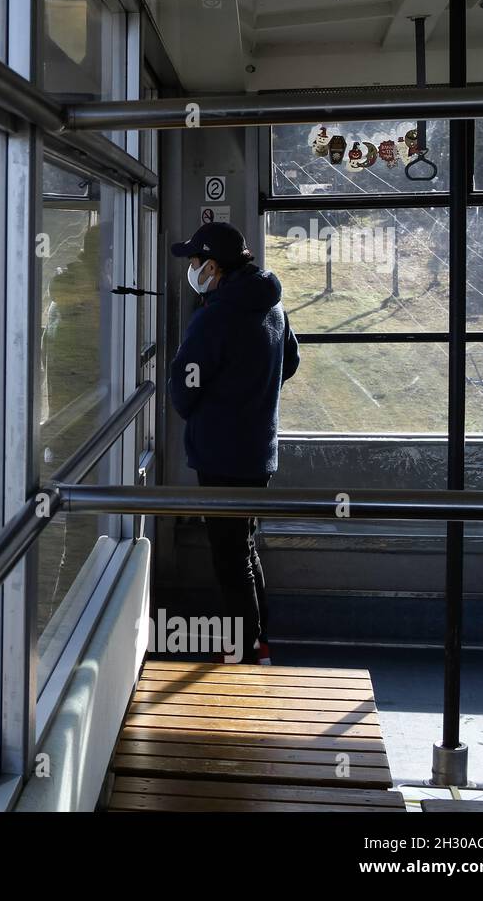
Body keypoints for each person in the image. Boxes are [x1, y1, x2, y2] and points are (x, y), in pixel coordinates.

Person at [167, 222, 299, 665]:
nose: (191, 269)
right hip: (259, 451)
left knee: (229, 558)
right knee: (244, 548)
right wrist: (252, 390)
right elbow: (290, 362)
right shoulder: (273, 305)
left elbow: (184, 390)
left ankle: (245, 654)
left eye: (194, 261)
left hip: (221, 455)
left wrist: (217, 403)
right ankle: (260, 642)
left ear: (213, 267)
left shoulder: (214, 317)